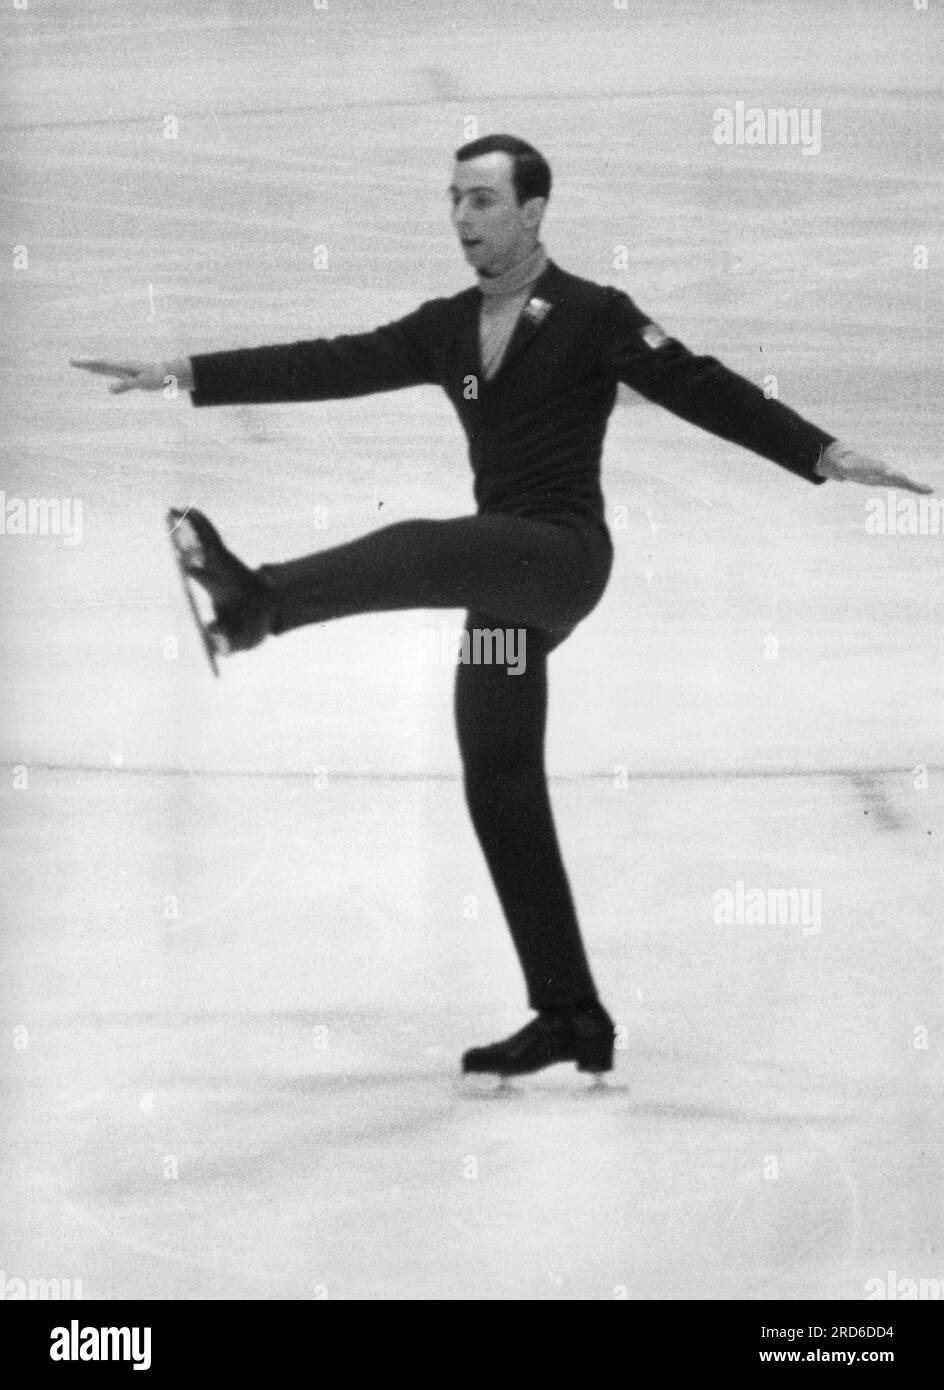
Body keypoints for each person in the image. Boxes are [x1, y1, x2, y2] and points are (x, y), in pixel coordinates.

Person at [72, 134, 931, 1080]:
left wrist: (825, 452)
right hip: (500, 586)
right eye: (453, 199)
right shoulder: (448, 328)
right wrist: (187, 370)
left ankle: (260, 601)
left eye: (482, 200)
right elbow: (329, 362)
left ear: (532, 212)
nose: (462, 218)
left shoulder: (596, 316)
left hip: (557, 558)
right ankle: (571, 1016)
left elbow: (702, 388)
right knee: (499, 781)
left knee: (421, 546)